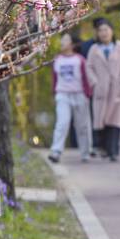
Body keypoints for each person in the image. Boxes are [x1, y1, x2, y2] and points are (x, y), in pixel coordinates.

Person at [87, 17, 120, 162]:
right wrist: (94, 82)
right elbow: (88, 67)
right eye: (100, 30)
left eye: (106, 30)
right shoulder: (94, 49)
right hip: (101, 89)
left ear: (111, 31)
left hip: (117, 89)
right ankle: (105, 149)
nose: (103, 33)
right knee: (102, 121)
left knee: (115, 122)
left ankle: (113, 152)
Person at [49, 33, 93, 164]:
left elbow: (86, 78)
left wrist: (87, 95)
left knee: (82, 125)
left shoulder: (79, 60)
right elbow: (55, 79)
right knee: (62, 123)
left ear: (72, 44)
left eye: (65, 39)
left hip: (79, 94)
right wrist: (54, 93)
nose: (62, 42)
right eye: (62, 39)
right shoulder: (57, 60)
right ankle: (56, 151)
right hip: (63, 95)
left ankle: (85, 152)